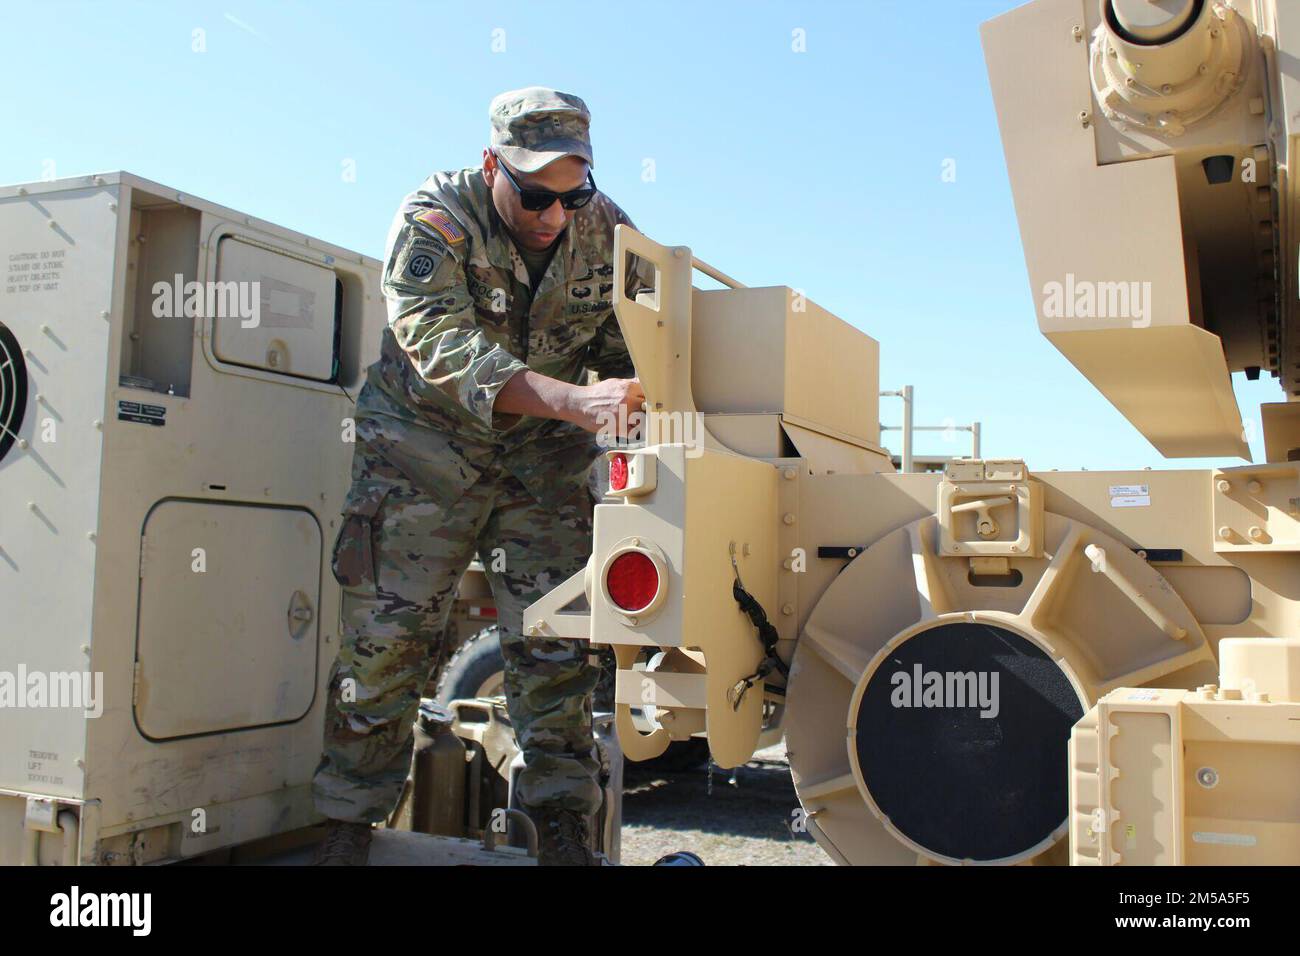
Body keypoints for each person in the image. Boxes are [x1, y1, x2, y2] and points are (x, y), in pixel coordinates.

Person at [311, 87, 648, 865]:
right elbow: (438, 342)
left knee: (557, 647)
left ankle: (562, 826)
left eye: (572, 195)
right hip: (421, 452)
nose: (554, 215)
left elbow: (638, 346)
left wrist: (638, 402)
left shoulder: (608, 231)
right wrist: (576, 401)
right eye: (535, 196)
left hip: (542, 462)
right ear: (493, 165)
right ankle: (345, 823)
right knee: (386, 643)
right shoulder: (436, 217)